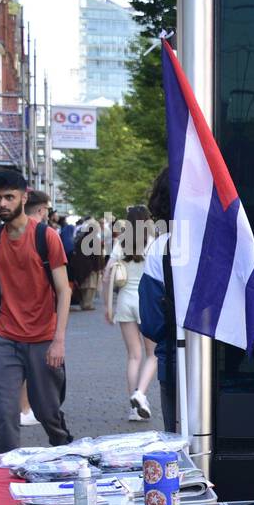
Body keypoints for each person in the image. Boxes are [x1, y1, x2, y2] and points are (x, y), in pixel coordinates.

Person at [0, 169, 74, 452]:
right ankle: (7, 477)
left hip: (43, 339)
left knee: (47, 413)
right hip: (6, 338)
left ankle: (64, 450)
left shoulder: (46, 237)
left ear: (23, 196)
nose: (3, 204)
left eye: (9, 197)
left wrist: (59, 340)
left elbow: (64, 290)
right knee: (5, 416)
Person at [101, 203, 158, 421]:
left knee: (133, 356)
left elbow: (106, 276)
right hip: (147, 302)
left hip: (125, 301)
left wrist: (107, 307)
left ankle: (134, 409)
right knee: (153, 354)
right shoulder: (153, 244)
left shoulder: (120, 244)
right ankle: (140, 393)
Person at [139, 169, 179, 433]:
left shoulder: (160, 248)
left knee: (178, 444)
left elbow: (153, 324)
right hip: (228, 373)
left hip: (174, 362)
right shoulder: (221, 243)